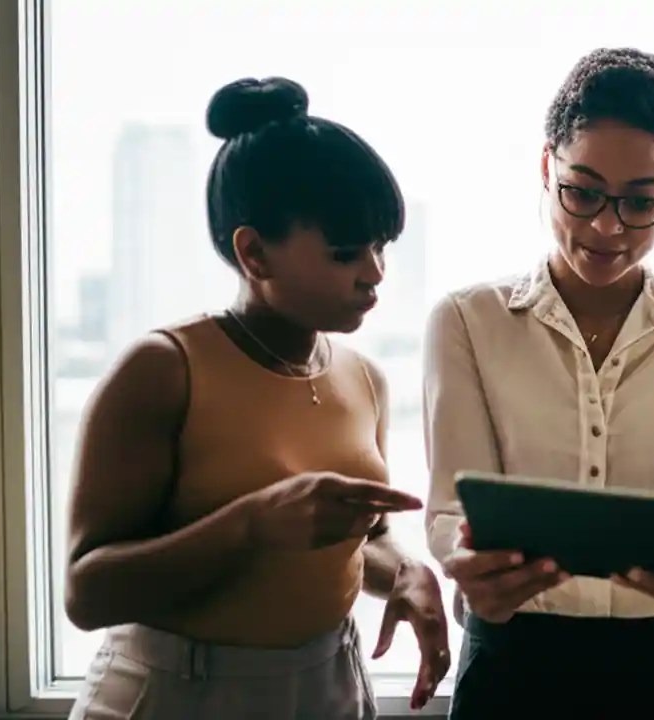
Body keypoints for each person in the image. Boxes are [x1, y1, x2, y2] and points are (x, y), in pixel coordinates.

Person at [63, 77, 450, 719]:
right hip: (178, 692)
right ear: (254, 253)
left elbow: (364, 536)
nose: (376, 272)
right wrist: (250, 526)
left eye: (382, 246)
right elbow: (86, 593)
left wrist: (404, 572)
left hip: (328, 684)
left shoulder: (364, 378)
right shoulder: (164, 370)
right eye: (345, 252)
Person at [422, 47, 654, 719]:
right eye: (582, 192)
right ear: (546, 167)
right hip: (513, 666)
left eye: (641, 203)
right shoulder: (468, 320)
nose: (607, 227)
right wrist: (460, 562)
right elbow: (448, 508)